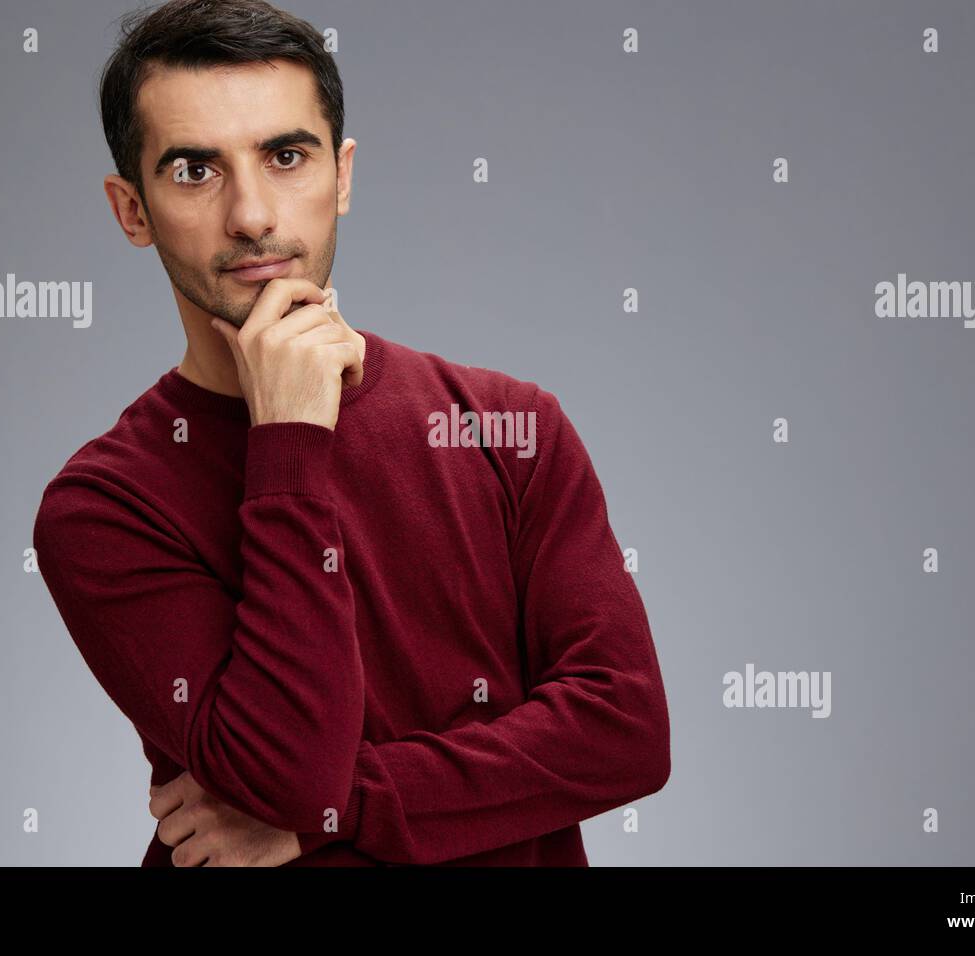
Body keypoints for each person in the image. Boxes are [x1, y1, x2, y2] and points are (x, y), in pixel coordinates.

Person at [33, 0, 670, 867]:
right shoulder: (102, 508)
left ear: (342, 175)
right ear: (131, 209)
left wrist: (345, 807)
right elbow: (294, 772)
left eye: (286, 156)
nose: (252, 215)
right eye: (194, 170)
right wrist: (287, 437)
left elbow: (626, 730)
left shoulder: (510, 428)